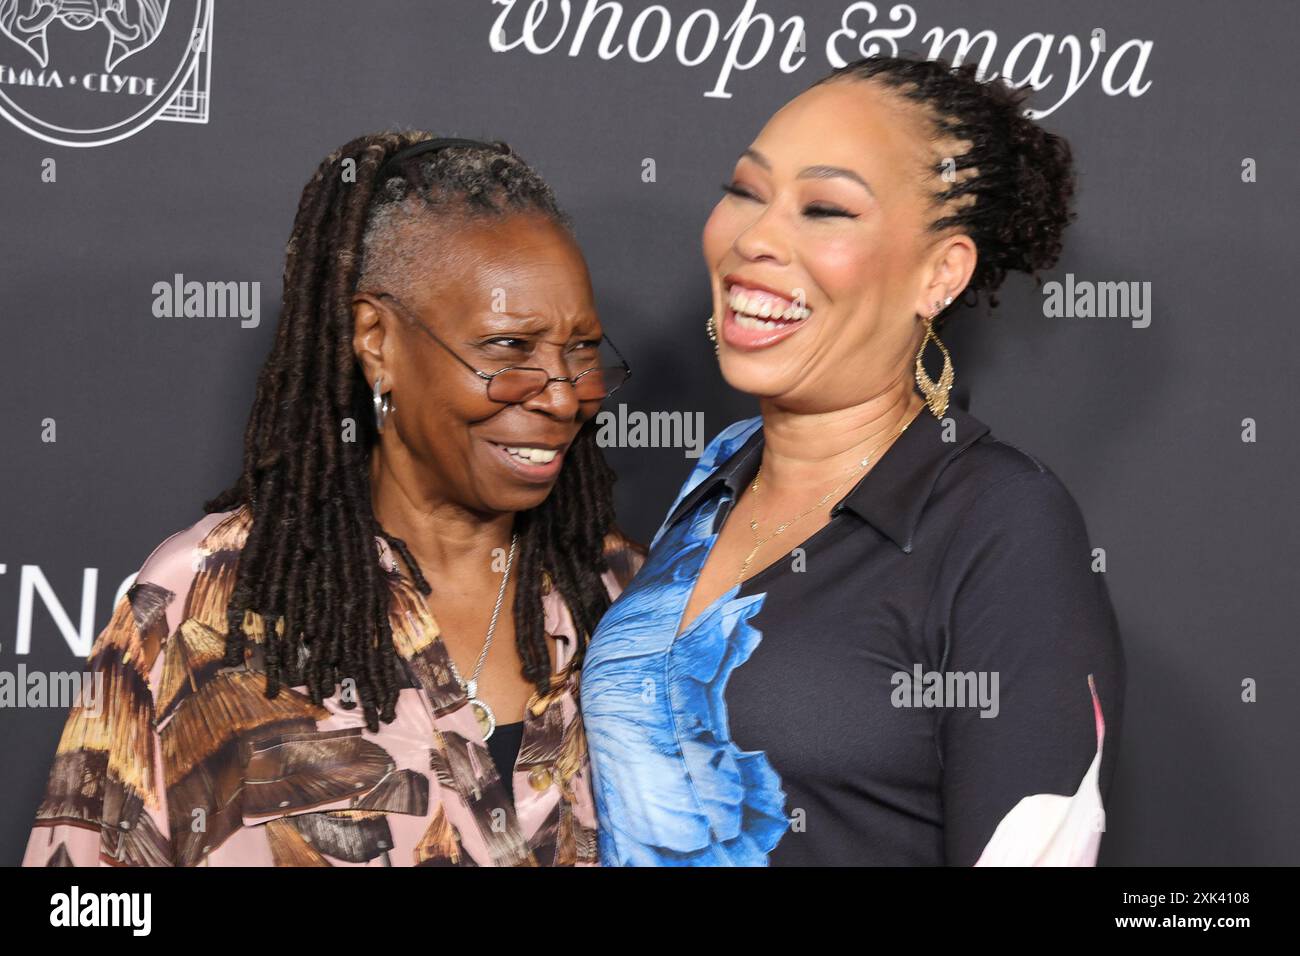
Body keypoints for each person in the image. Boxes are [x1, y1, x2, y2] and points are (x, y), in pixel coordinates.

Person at [22, 133, 640, 867]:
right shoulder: (204, 605)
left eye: (581, 350)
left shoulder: (625, 600)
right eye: (509, 351)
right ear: (376, 340)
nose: (563, 396)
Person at [581, 55, 1126, 866]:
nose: (756, 238)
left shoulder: (1002, 522)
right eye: (744, 191)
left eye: (825, 208)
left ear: (940, 273)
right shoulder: (716, 479)